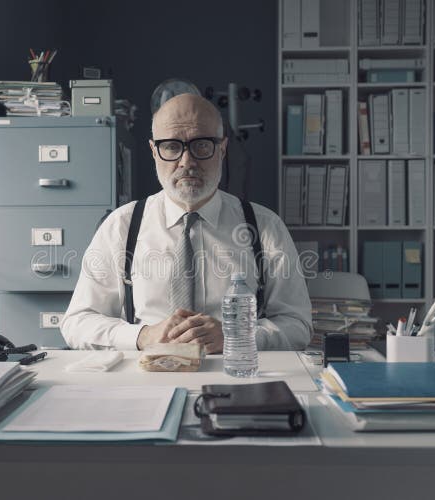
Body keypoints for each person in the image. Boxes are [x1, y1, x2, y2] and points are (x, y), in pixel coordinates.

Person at [61, 93, 312, 352]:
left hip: (236, 378)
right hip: (148, 380)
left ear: (222, 149)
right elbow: (77, 323)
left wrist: (237, 336)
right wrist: (142, 336)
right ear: (154, 151)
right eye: (171, 146)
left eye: (201, 145)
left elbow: (298, 325)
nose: (187, 162)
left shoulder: (265, 227)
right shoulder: (120, 226)